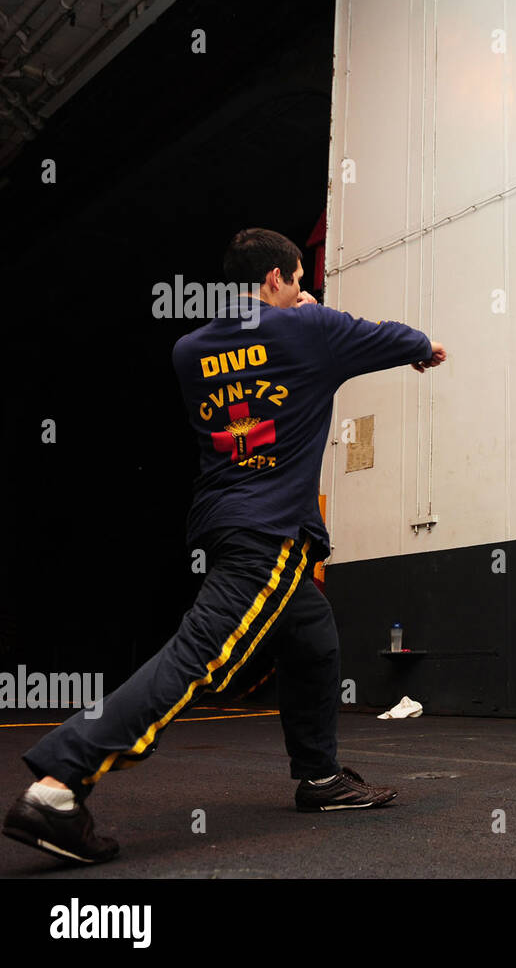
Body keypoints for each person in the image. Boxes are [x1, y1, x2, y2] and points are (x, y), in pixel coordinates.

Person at [3, 228, 447, 863]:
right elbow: (397, 337)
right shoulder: (309, 330)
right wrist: (419, 347)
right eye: (298, 281)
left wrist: (299, 318)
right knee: (195, 658)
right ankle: (56, 787)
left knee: (312, 633)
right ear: (275, 280)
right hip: (268, 534)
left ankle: (319, 777)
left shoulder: (190, 351)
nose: (303, 292)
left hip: (222, 519)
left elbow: (245, 372)